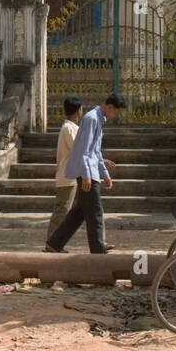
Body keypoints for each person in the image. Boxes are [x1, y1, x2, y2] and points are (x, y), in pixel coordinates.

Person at [45, 92, 127, 255]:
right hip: (87, 172)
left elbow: (95, 150)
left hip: (90, 171)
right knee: (95, 213)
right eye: (116, 112)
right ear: (110, 107)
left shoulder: (97, 119)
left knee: (79, 212)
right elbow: (84, 150)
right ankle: (98, 252)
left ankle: (54, 243)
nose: (115, 115)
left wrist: (105, 174)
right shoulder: (91, 119)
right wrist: (87, 174)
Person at [44, 95, 83, 250]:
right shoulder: (68, 129)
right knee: (62, 211)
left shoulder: (72, 128)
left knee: (71, 212)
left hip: (73, 176)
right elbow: (79, 150)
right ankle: (52, 242)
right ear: (79, 111)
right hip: (68, 177)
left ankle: (56, 242)